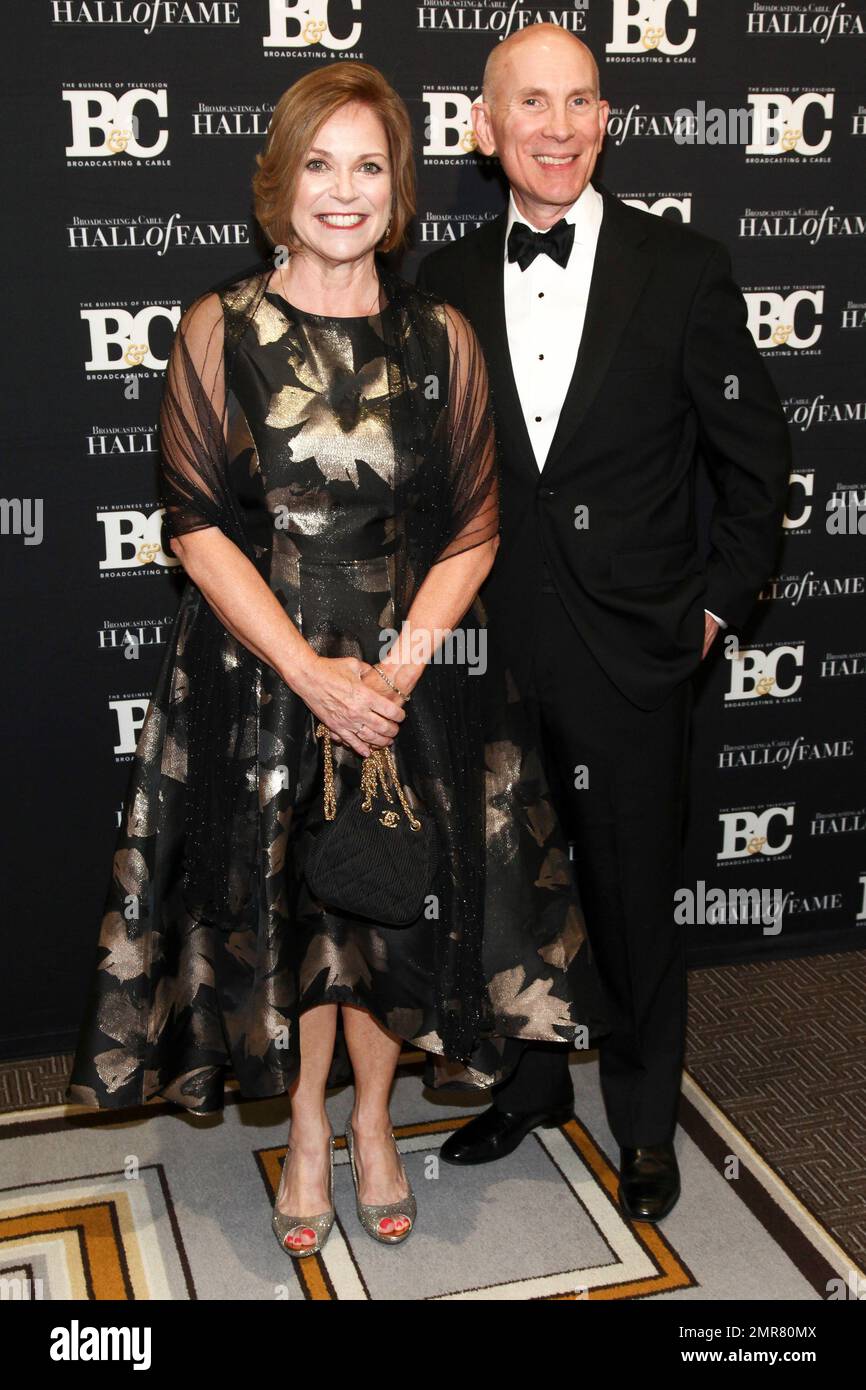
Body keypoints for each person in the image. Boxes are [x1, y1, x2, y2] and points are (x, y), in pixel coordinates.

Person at [66, 60, 609, 1258]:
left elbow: (473, 529)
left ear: (398, 188)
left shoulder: (442, 339)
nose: (343, 190)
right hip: (259, 679)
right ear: (280, 182)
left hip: (412, 684)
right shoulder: (221, 329)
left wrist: (395, 676)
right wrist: (313, 678)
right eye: (320, 163)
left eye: (369, 165)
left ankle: (373, 1116)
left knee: (391, 917)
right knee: (295, 914)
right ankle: (305, 1121)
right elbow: (196, 527)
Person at [416, 25, 791, 1222]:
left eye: (581, 100)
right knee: (501, 891)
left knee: (633, 903)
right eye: (532, 103)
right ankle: (529, 1089)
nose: (560, 126)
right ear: (485, 129)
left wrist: (714, 609)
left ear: (606, 117)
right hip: (485, 653)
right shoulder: (445, 282)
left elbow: (757, 462)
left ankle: (643, 1124)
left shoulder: (678, 267)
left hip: (634, 650)